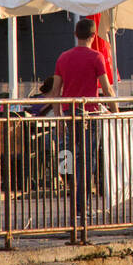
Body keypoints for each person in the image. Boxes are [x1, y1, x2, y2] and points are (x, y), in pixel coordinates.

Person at [50, 19, 117, 222]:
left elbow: (55, 92)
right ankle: (82, 207)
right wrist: (116, 112)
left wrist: (59, 120)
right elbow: (107, 89)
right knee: (87, 162)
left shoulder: (63, 57)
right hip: (90, 115)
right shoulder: (96, 57)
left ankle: (77, 207)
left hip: (70, 116)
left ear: (75, 33)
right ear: (94, 36)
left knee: (73, 160)